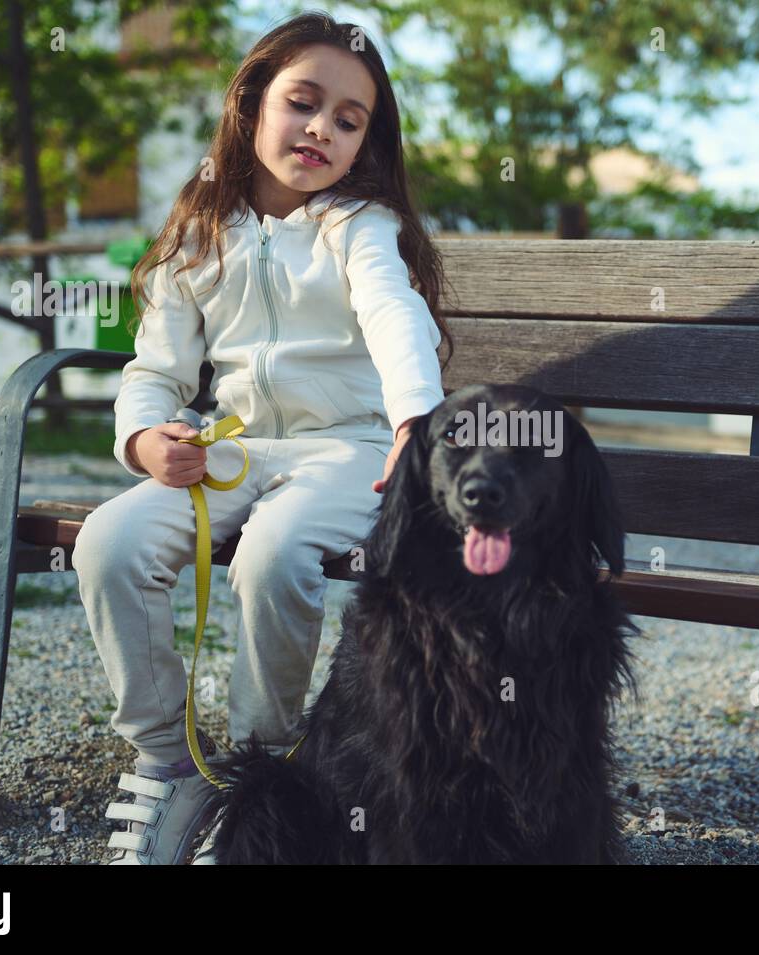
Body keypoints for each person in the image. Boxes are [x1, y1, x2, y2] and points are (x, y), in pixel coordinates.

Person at [71, 11, 452, 865]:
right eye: (303, 102)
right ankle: (169, 759)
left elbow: (396, 319)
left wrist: (413, 425)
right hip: (234, 450)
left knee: (274, 554)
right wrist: (143, 441)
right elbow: (153, 371)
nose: (322, 127)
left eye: (348, 120)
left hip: (351, 452)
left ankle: (257, 774)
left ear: (363, 147)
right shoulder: (199, 229)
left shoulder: (359, 227)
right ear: (251, 104)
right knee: (107, 542)